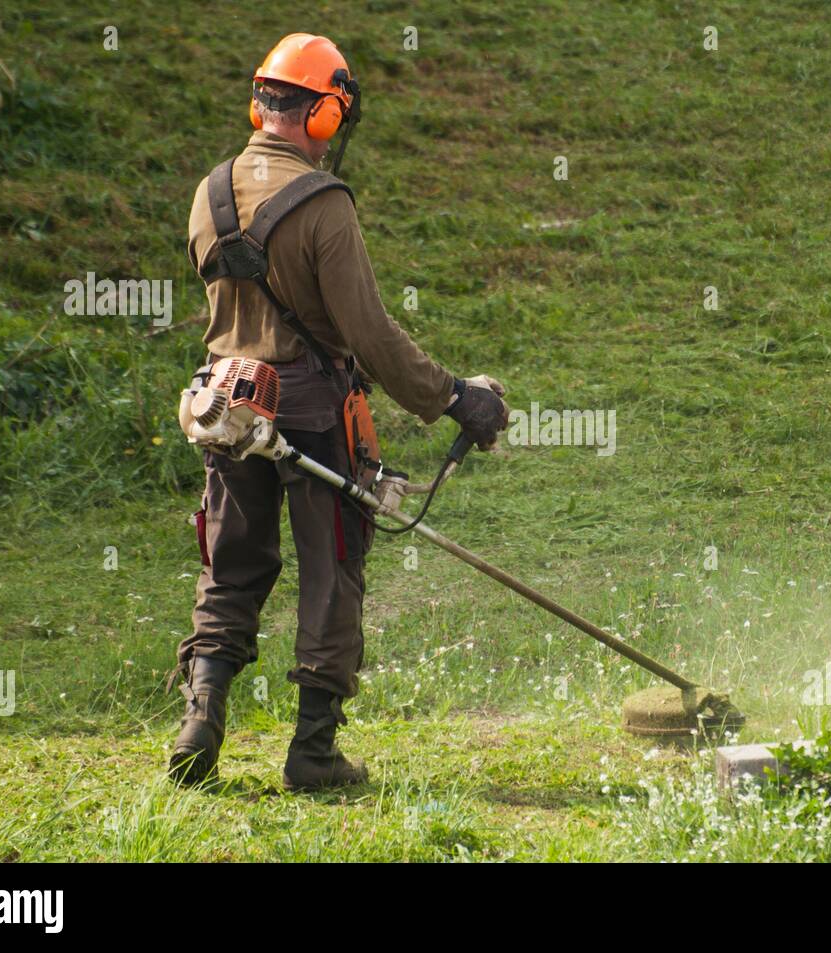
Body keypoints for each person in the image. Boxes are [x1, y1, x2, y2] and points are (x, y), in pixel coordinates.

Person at [168, 33, 508, 791]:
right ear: (322, 114)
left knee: (230, 565)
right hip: (316, 413)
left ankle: (200, 720)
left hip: (228, 407)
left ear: (261, 101)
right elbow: (371, 335)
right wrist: (454, 397)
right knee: (332, 571)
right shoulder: (324, 206)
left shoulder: (211, 189)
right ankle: (313, 752)